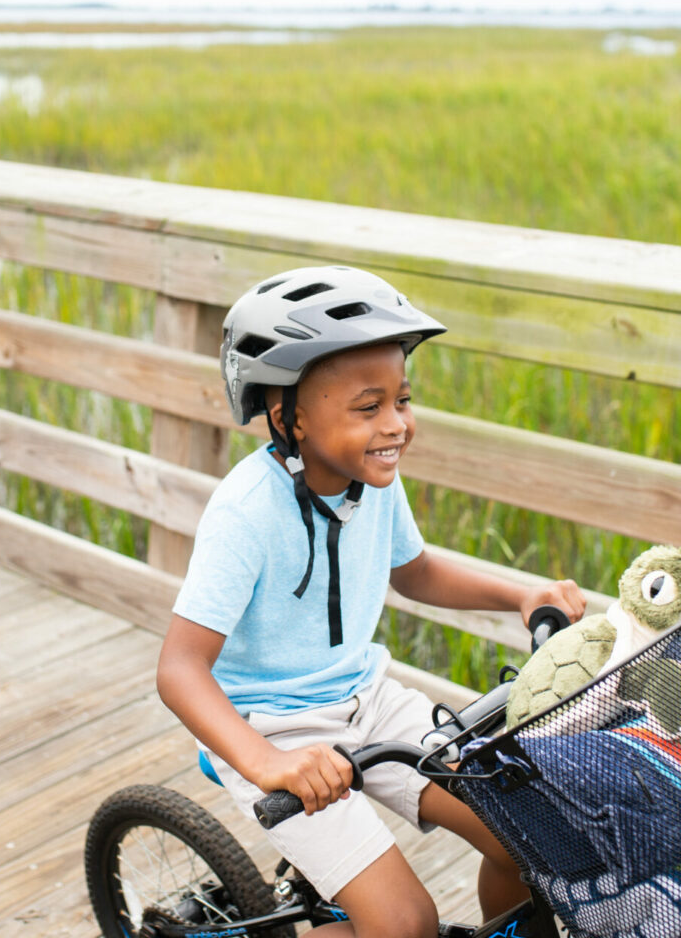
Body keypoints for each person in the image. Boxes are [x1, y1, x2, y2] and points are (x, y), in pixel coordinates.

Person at [157, 265, 587, 937]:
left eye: (402, 401)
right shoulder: (245, 513)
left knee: (525, 836)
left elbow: (413, 572)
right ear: (287, 415)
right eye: (368, 407)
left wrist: (521, 594)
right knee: (405, 923)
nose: (396, 426)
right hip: (271, 728)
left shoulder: (373, 480)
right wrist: (269, 762)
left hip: (368, 701)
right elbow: (179, 670)